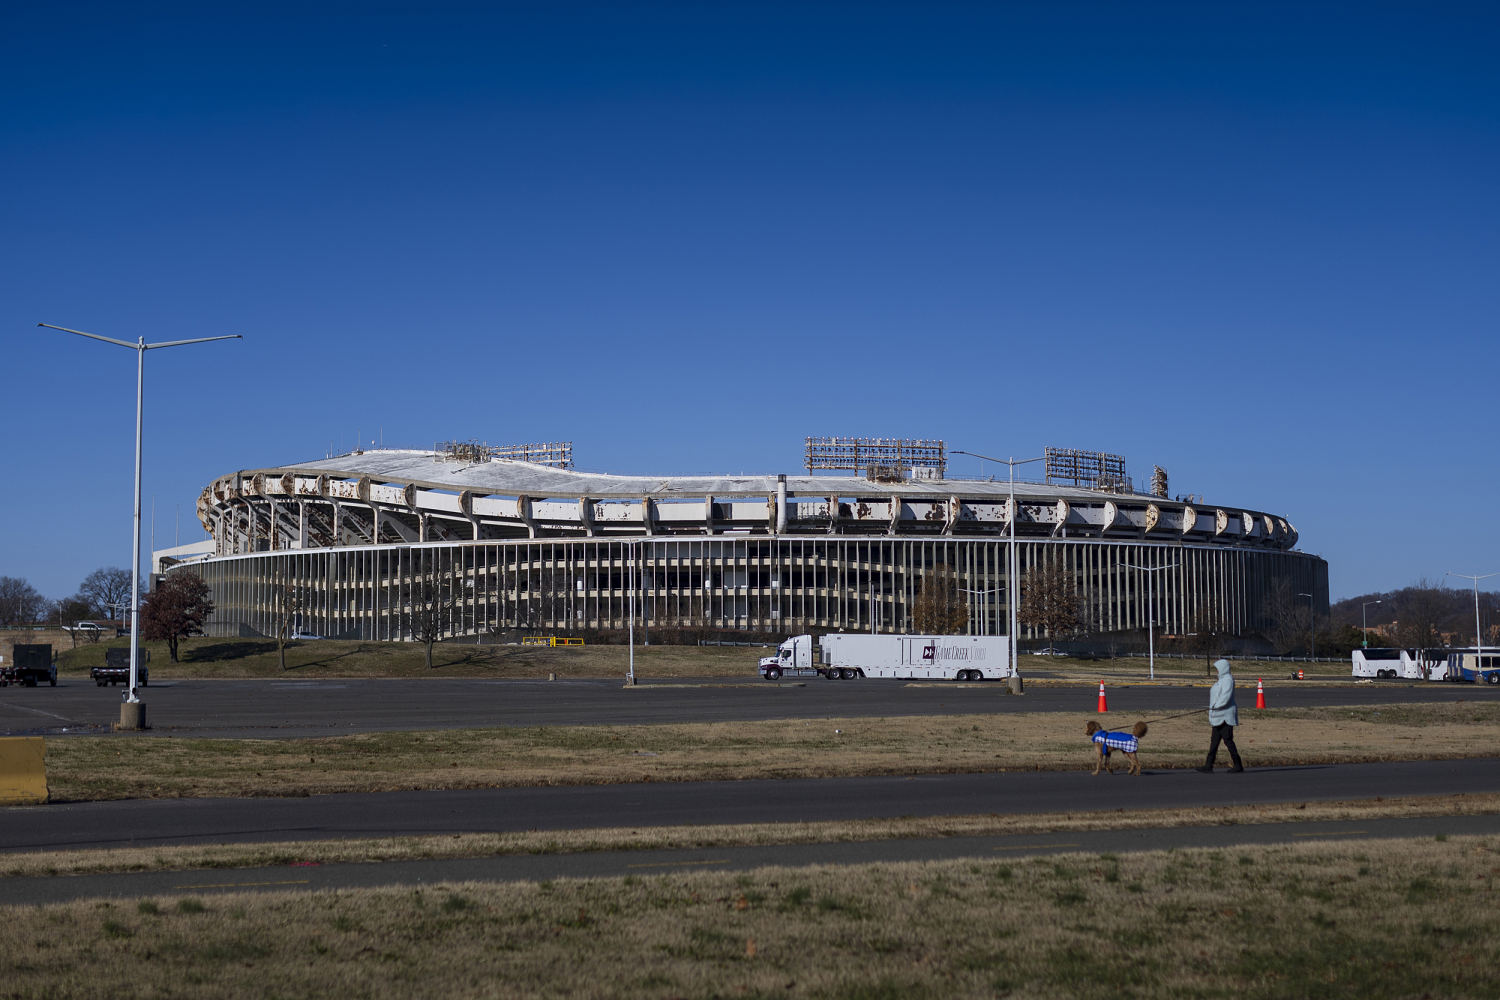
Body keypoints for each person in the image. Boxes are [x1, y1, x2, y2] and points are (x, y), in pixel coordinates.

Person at [1196, 657, 1244, 772]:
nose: (1216, 671)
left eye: (1217, 669)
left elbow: (1225, 697)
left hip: (1225, 716)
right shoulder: (1221, 680)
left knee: (1228, 740)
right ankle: (1209, 765)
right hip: (1218, 716)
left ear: (1223, 669)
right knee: (1214, 741)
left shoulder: (1228, 680)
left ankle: (1238, 765)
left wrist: (1215, 707)